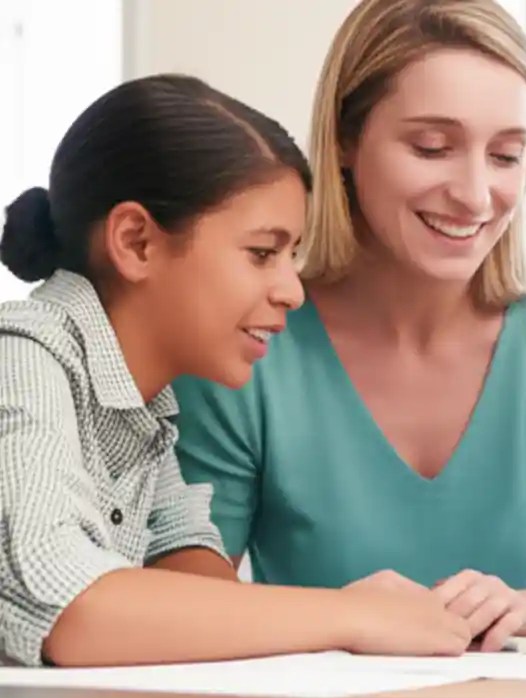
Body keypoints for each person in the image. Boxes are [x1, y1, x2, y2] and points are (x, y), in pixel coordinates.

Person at [172, 0, 526, 654]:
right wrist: (349, 618)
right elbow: (185, 602)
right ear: (346, 140)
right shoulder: (255, 335)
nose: (474, 193)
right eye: (432, 147)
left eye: (506, 154)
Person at [0, 74, 471, 667]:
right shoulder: (21, 357)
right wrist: (355, 614)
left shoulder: (147, 407)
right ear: (137, 242)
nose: (292, 291)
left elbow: (191, 570)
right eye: (262, 254)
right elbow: (73, 613)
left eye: (291, 256)